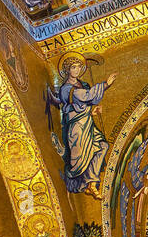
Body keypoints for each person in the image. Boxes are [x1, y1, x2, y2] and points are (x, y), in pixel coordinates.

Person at [45, 56, 114, 195]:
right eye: (73, 67)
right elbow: (85, 97)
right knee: (81, 158)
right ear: (67, 70)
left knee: (103, 146)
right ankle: (83, 182)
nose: (76, 70)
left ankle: (92, 183)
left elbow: (85, 102)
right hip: (77, 127)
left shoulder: (82, 84)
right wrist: (105, 84)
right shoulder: (67, 89)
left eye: (78, 67)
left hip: (87, 123)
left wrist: (91, 111)